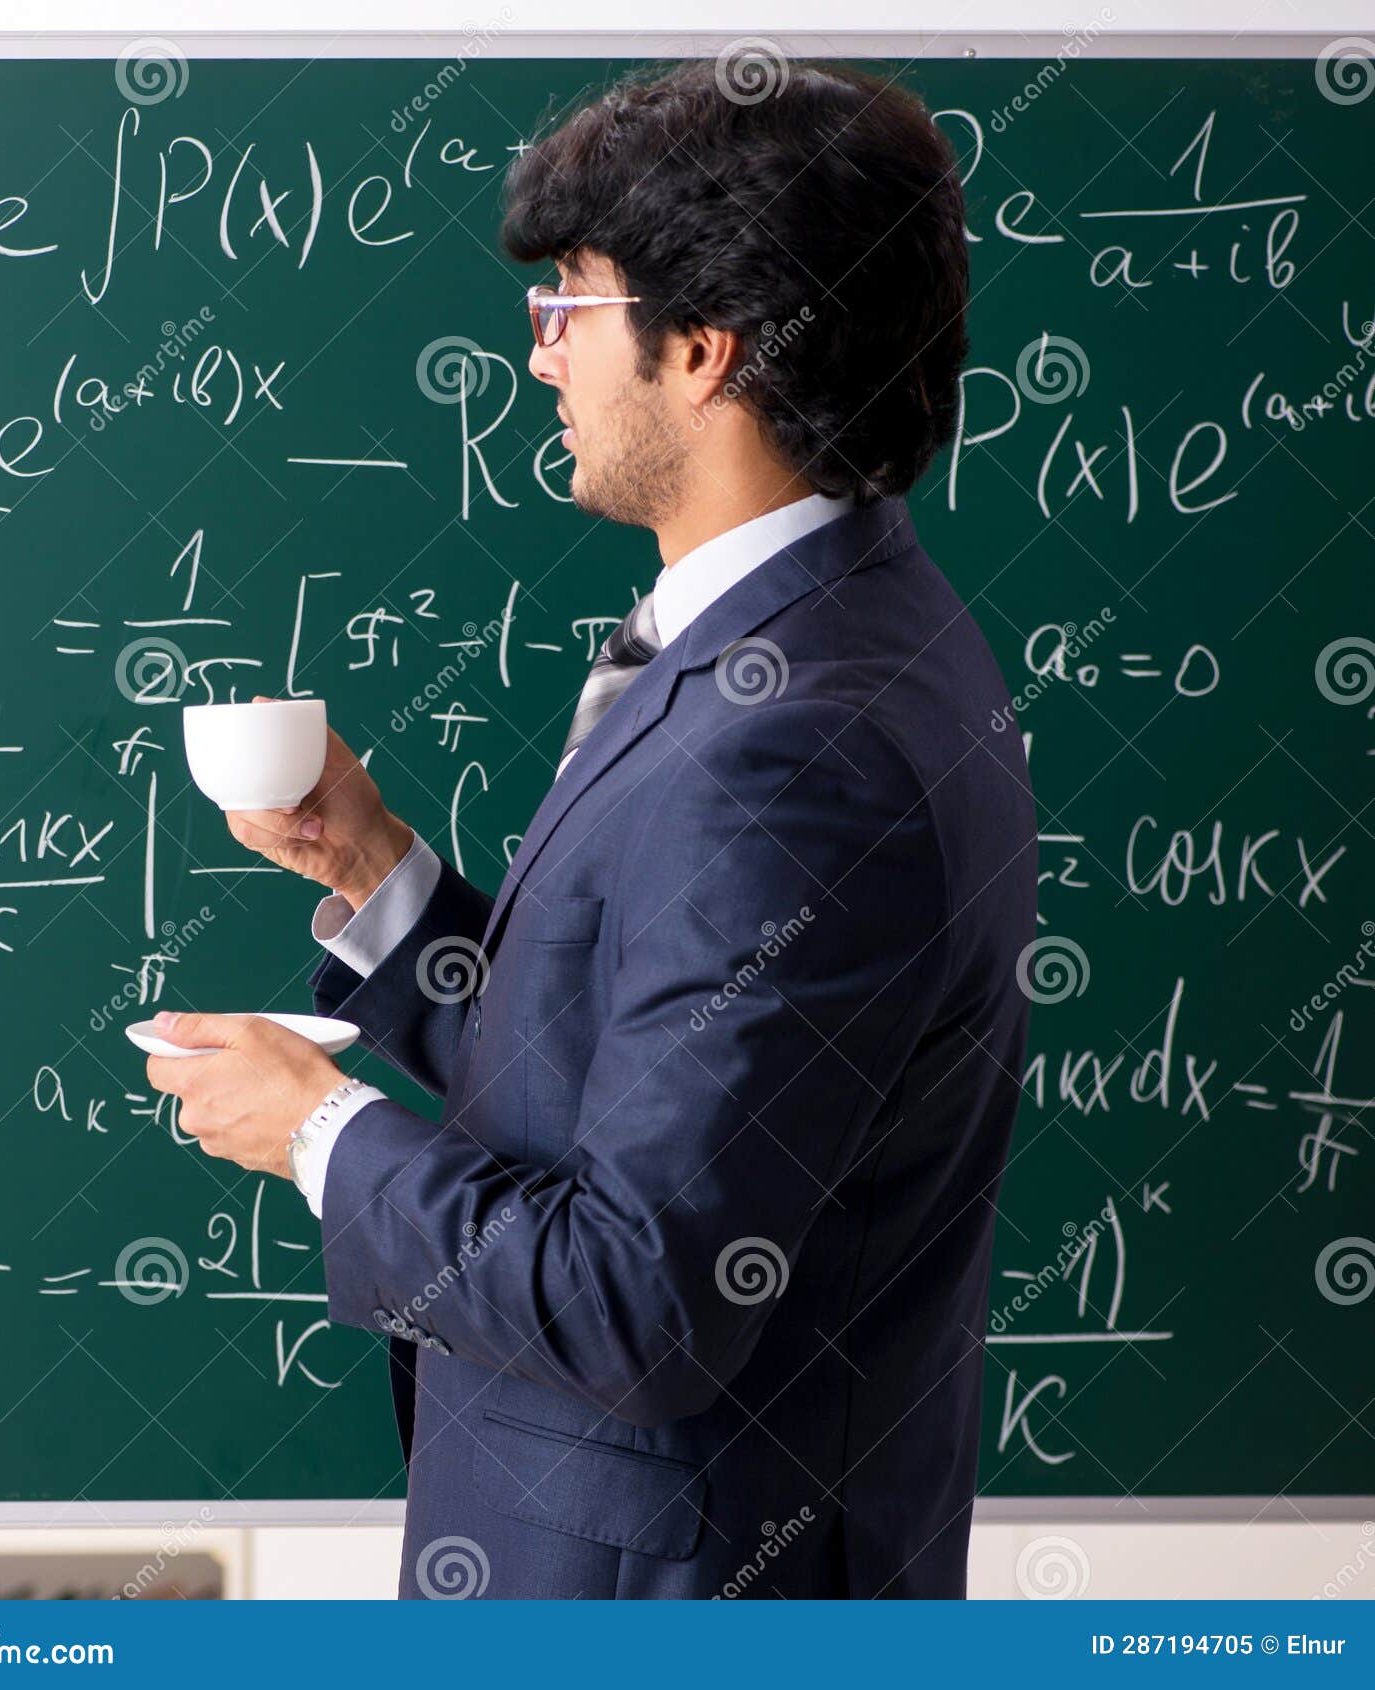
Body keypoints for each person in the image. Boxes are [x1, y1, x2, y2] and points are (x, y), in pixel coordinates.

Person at [146, 57, 1038, 1600]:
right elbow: (622, 1082)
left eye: (570, 296)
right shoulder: (830, 631)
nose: (538, 350)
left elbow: (643, 1294)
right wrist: (376, 874)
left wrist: (315, 1130)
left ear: (701, 348)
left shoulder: (793, 744)